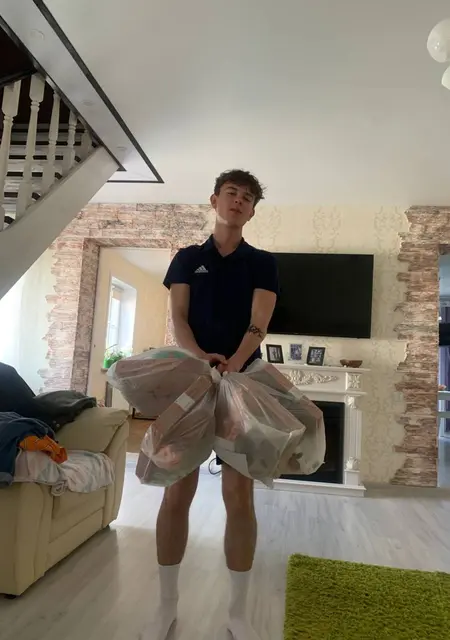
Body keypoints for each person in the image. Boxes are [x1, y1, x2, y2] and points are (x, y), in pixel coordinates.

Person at [150, 169, 279, 640]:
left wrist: (232, 364)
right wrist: (202, 358)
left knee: (239, 498)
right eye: (232, 193)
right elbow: (179, 319)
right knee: (175, 493)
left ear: (252, 210)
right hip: (191, 381)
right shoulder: (188, 258)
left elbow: (259, 324)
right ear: (215, 200)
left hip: (242, 383)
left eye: (247, 198)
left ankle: (237, 614)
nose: (238, 201)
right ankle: (166, 607)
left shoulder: (262, 263)